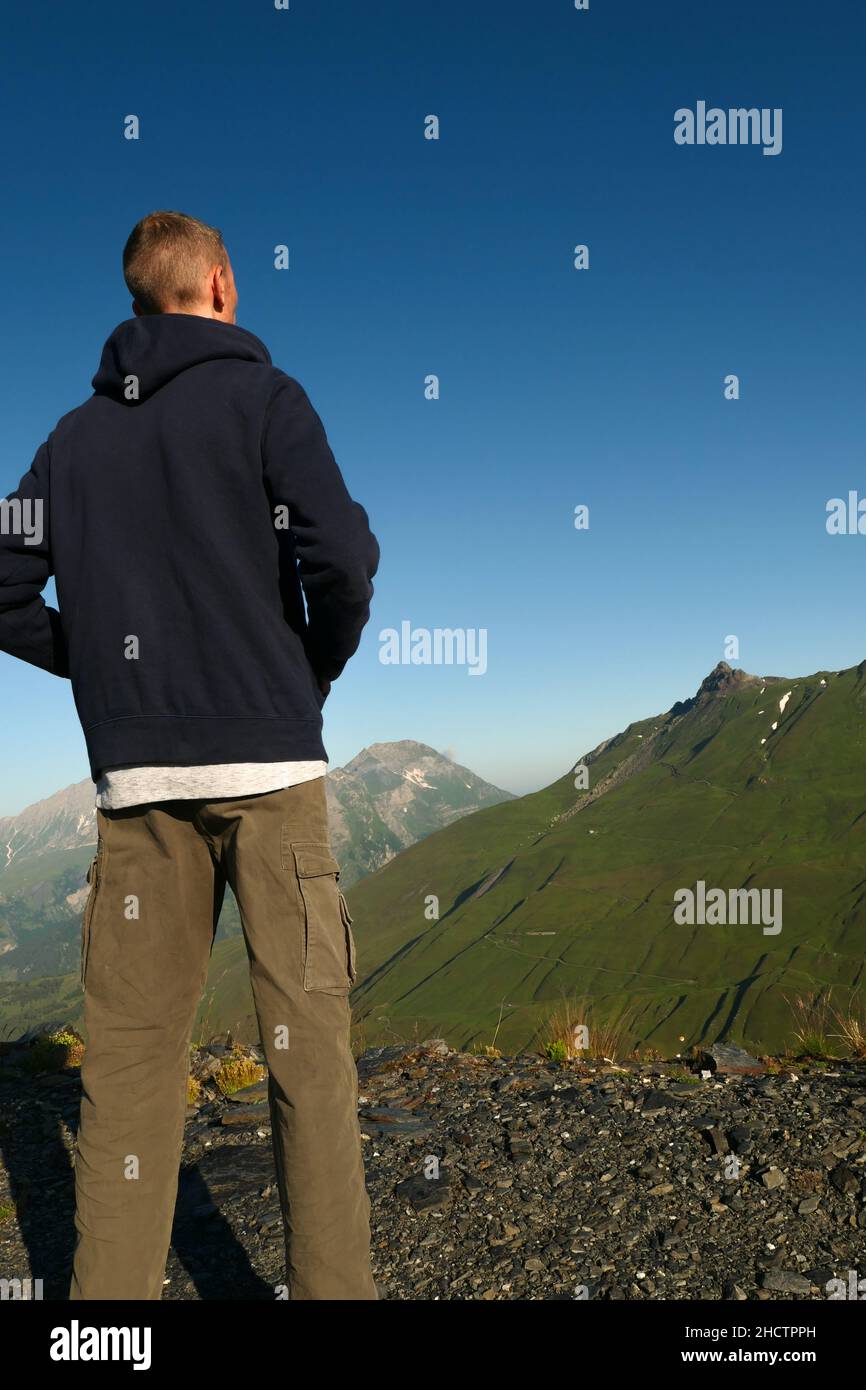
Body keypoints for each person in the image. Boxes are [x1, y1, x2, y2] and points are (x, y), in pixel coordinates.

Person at [0, 210, 380, 1300]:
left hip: (137, 789)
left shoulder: (74, 439)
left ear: (136, 301)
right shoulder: (268, 400)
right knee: (308, 1058)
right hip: (270, 774)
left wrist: (101, 670)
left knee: (125, 1066)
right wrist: (311, 665)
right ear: (219, 285)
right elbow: (341, 554)